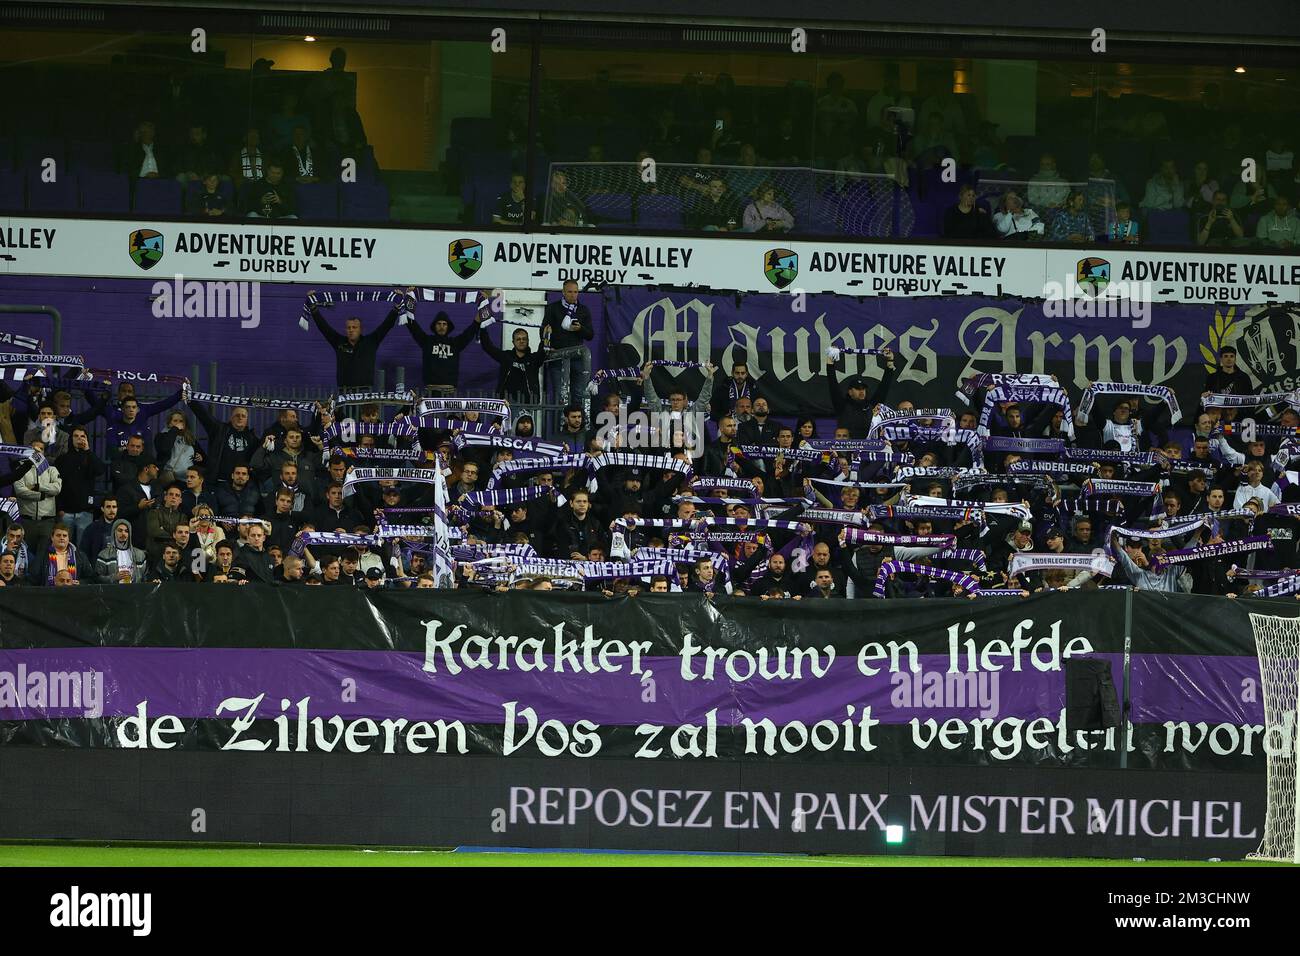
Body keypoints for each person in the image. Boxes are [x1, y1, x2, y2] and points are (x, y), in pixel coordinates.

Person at [306, 288, 401, 388]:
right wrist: (313, 308)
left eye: (354, 327)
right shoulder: (339, 342)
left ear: (360, 329)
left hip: (365, 393)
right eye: (348, 328)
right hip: (344, 393)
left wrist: (396, 307)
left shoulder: (371, 342)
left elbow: (386, 325)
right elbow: (324, 327)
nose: (351, 330)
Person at [542, 280, 595, 417]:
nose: (573, 295)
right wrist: (547, 345)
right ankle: (560, 430)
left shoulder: (584, 310)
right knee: (561, 396)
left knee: (579, 394)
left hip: (578, 358)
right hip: (558, 357)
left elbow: (590, 335)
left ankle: (578, 428)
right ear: (563, 292)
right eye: (570, 292)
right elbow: (544, 330)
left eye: (576, 292)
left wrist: (580, 329)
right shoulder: (553, 308)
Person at [407, 309, 483, 394]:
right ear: (434, 326)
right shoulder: (427, 341)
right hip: (431, 391)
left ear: (448, 327)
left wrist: (476, 322)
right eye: (439, 324)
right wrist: (407, 312)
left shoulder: (455, 343)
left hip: (450, 392)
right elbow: (414, 329)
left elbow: (468, 334)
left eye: (444, 324)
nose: (442, 327)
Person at [54, 426, 102, 547]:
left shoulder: (90, 457)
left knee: (82, 548)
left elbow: (100, 470)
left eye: (83, 436)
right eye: (76, 436)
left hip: (85, 512)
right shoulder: (62, 459)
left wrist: (88, 451)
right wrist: (59, 508)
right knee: (62, 546)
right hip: (66, 513)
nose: (79, 439)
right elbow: (56, 485)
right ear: (71, 439)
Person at [15, 439, 61, 556]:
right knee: (26, 554)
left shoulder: (52, 469)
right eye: (34, 449)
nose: (37, 452)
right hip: (27, 521)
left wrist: (38, 487)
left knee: (43, 556)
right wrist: (41, 495)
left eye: (41, 449)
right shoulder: (20, 469)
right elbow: (19, 490)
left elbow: (56, 488)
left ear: (44, 452)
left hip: (47, 521)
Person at [95, 518, 148, 584]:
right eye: (120, 530)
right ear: (114, 532)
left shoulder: (140, 555)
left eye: (126, 531)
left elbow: (146, 578)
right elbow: (97, 579)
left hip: (136, 592)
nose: (123, 533)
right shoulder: (104, 555)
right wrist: (114, 577)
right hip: (113, 592)